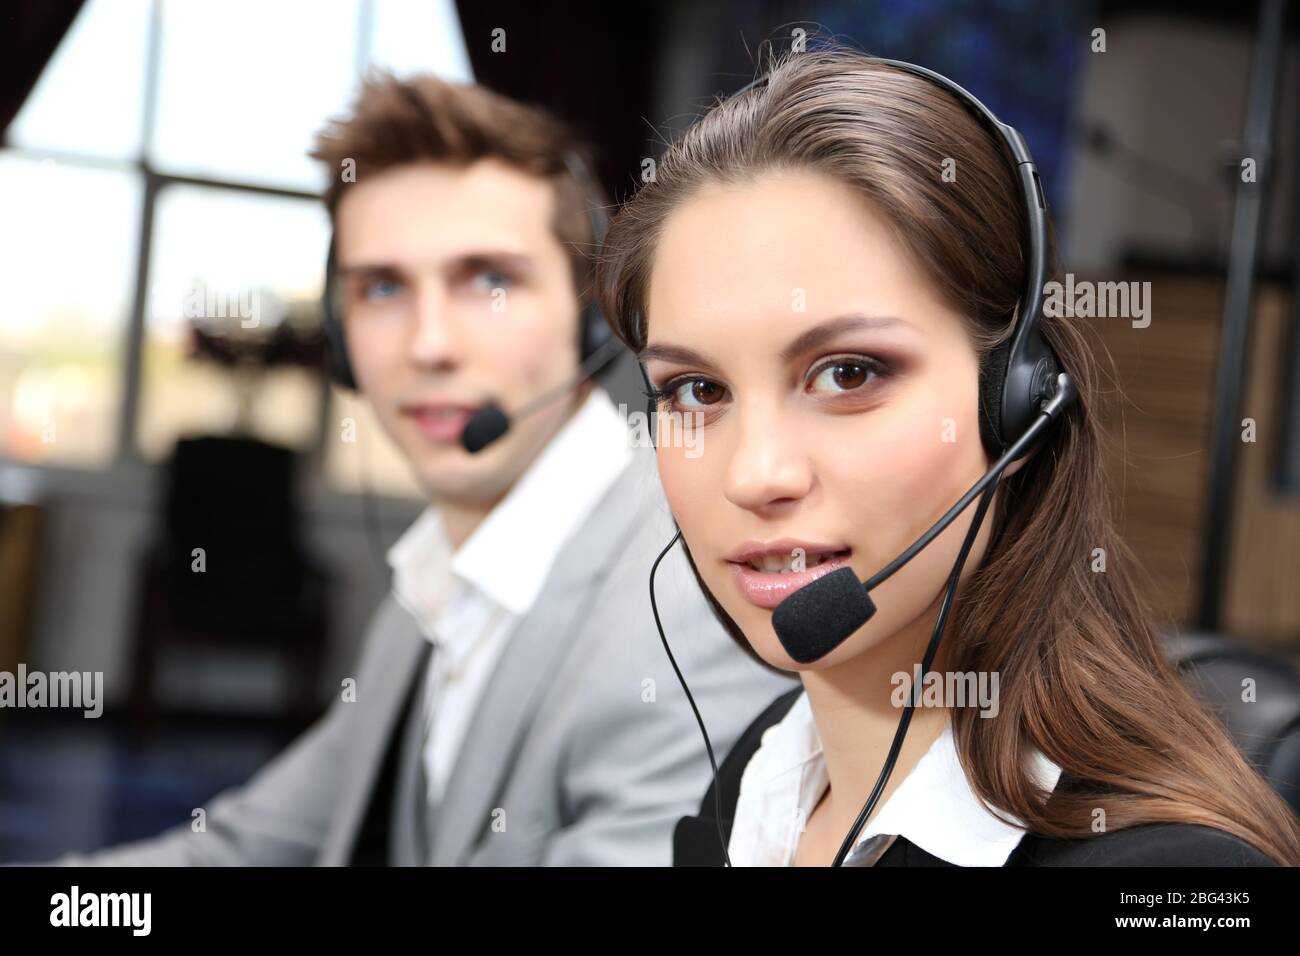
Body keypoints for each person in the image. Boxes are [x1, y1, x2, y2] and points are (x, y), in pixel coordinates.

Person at [42, 71, 793, 866]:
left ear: (592, 321)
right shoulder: (434, 580)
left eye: (490, 280)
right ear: (341, 337)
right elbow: (243, 848)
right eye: (383, 287)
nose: (428, 343)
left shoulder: (694, 593)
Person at [596, 45, 1300, 866]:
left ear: (1019, 402)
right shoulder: (763, 782)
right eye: (697, 391)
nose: (755, 475)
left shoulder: (1172, 874)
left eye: (847, 374)